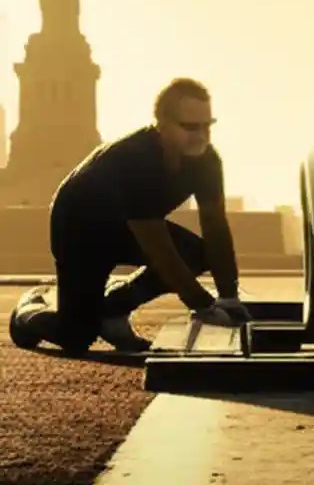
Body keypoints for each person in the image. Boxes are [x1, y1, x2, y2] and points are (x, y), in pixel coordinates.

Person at [8, 78, 251, 354]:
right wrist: (203, 305)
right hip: (79, 230)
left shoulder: (207, 160)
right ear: (162, 124)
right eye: (190, 127)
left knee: (196, 253)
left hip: (125, 229)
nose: (201, 135)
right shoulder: (138, 159)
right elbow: (160, 250)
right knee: (75, 336)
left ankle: (112, 310)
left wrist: (229, 298)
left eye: (207, 125)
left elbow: (216, 226)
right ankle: (30, 308)